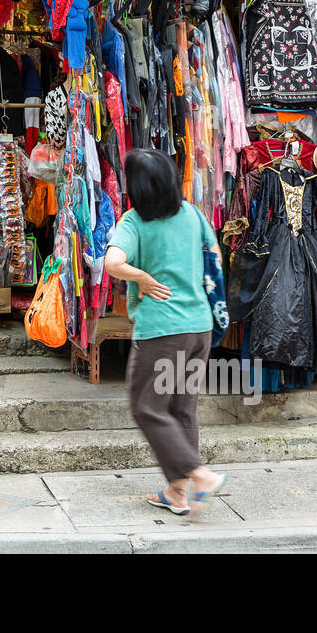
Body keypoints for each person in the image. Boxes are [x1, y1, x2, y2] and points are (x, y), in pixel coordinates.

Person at [103, 149, 229, 516]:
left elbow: (113, 263)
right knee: (182, 408)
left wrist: (141, 276)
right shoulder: (192, 213)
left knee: (147, 407)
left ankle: (199, 475)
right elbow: (213, 258)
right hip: (199, 327)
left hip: (163, 332)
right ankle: (177, 494)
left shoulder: (134, 222)